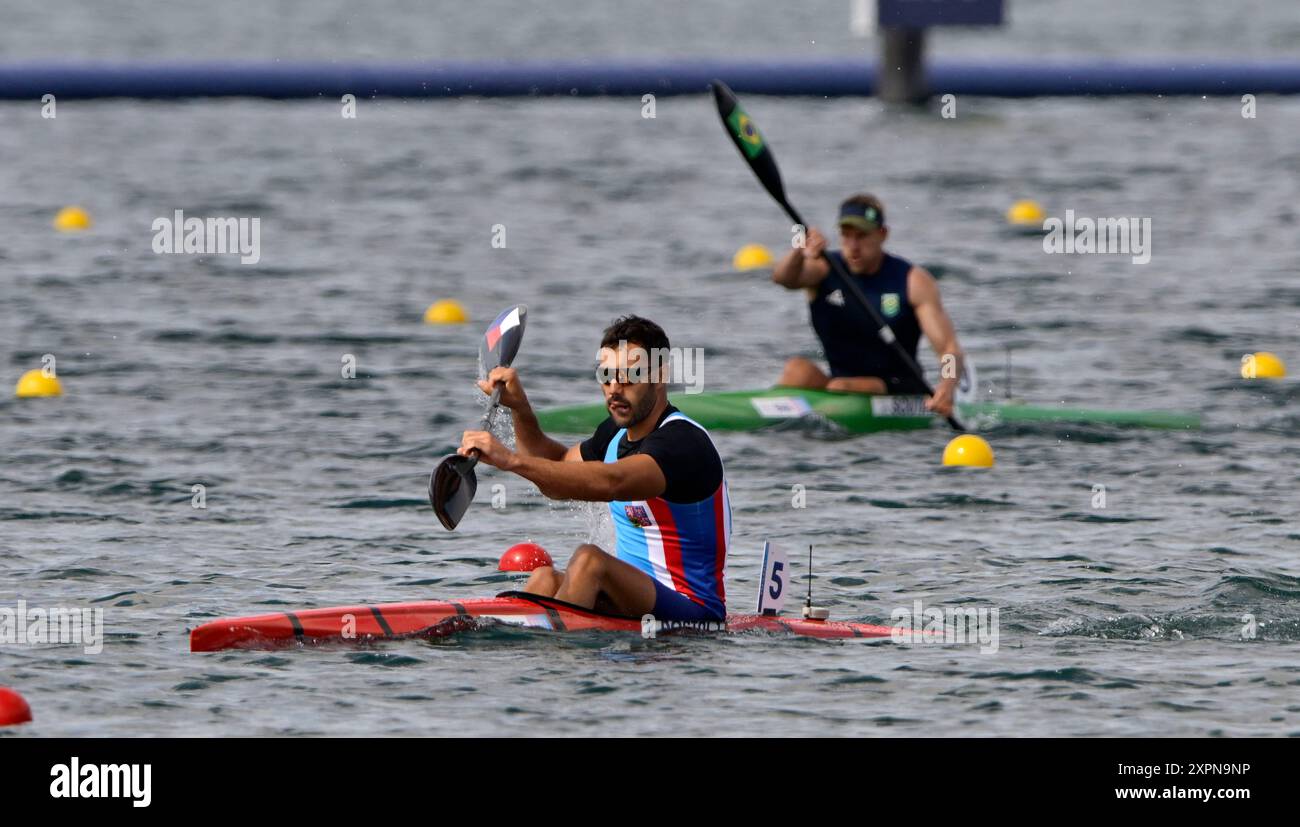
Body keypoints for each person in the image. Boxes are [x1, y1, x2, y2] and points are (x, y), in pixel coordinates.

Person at [457, 315, 730, 622]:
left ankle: (554, 657)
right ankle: (516, 654)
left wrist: (511, 461)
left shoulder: (684, 444)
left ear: (660, 376)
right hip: (631, 600)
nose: (614, 389)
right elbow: (556, 474)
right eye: (606, 375)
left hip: (693, 612)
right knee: (544, 578)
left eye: (630, 376)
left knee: (589, 561)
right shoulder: (614, 433)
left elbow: (612, 482)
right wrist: (520, 408)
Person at [771, 193, 965, 417]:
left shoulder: (912, 281)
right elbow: (783, 278)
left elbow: (950, 349)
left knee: (840, 387)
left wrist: (947, 387)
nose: (853, 246)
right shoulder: (825, 268)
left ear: (883, 234)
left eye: (862, 236)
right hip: (839, 383)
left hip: (897, 386)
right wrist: (799, 252)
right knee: (797, 370)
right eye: (846, 235)